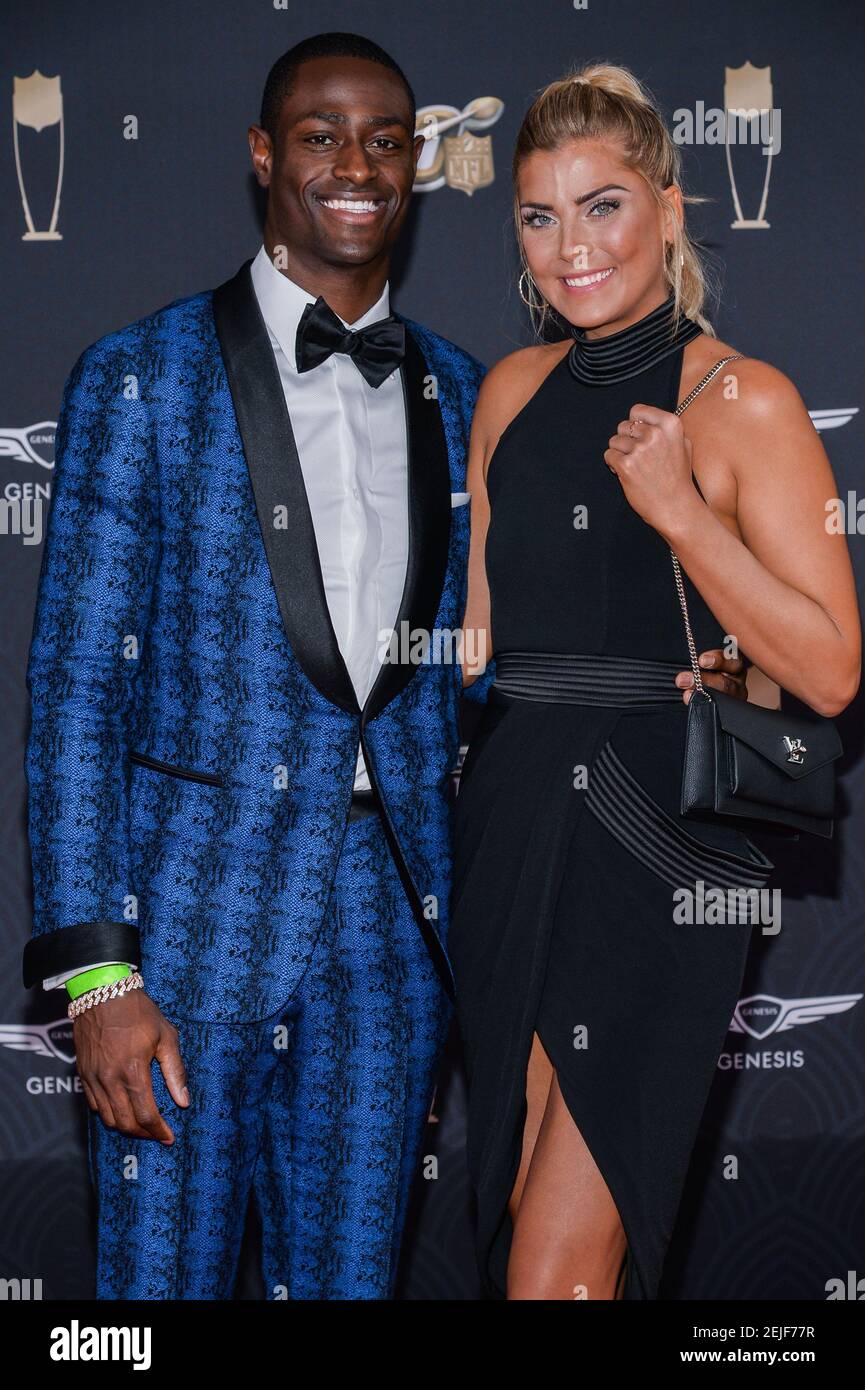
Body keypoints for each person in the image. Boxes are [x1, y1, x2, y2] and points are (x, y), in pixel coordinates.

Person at [21, 34, 748, 1301]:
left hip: (396, 942)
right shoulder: (140, 378)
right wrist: (98, 973)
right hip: (185, 940)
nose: (357, 165)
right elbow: (77, 690)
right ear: (263, 155)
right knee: (152, 1300)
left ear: (417, 167)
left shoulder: (474, 397)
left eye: (386, 141)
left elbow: (507, 662)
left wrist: (702, 669)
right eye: (321, 135)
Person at [450, 62, 860, 1301]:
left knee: (564, 1254)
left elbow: (833, 670)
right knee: (525, 1203)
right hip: (514, 824)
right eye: (540, 214)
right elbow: (482, 646)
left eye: (604, 205)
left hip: (658, 844)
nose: (571, 248)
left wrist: (683, 516)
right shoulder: (510, 392)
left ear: (671, 209)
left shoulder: (742, 400)